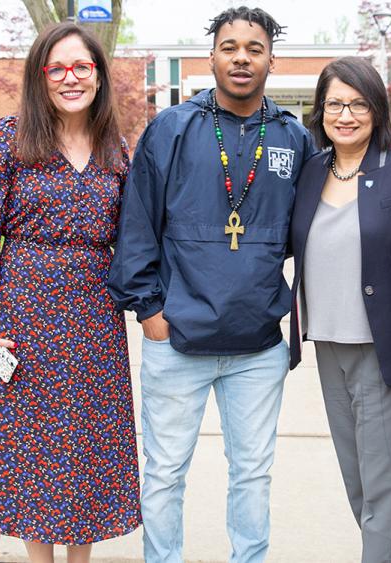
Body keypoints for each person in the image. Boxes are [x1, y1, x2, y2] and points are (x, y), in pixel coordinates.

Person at [107, 7, 313, 563]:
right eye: (230, 47)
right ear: (212, 57)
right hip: (176, 338)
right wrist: (150, 311)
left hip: (258, 347)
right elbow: (137, 224)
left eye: (254, 48)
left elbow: (308, 230)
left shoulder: (293, 137)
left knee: (253, 474)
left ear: (271, 60)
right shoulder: (172, 128)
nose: (241, 58)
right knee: (165, 473)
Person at [0, 22, 140, 563]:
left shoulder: (116, 149)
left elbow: (136, 236)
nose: (69, 78)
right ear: (40, 77)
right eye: (56, 68)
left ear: (99, 76)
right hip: (26, 314)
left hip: (94, 317)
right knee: (32, 448)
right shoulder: (8, 139)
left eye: (81, 66)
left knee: (87, 447)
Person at [288, 57, 391, 563]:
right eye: (335, 104)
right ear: (320, 111)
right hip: (327, 344)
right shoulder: (311, 171)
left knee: (383, 491)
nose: (345, 115)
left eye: (358, 104)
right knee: (360, 487)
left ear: (377, 110)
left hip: (381, 349)